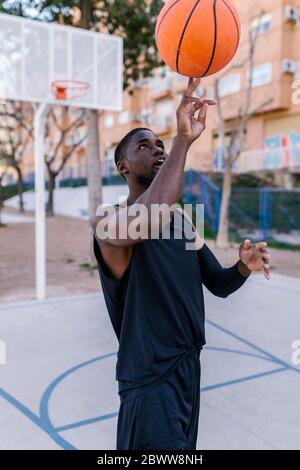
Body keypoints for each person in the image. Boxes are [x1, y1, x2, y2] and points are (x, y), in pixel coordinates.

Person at [92, 78, 271, 450]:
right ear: (123, 167)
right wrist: (181, 141)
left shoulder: (182, 220)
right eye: (146, 146)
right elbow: (152, 213)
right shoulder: (107, 221)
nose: (157, 150)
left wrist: (242, 267)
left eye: (160, 144)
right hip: (150, 379)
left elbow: (218, 284)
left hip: (188, 370)